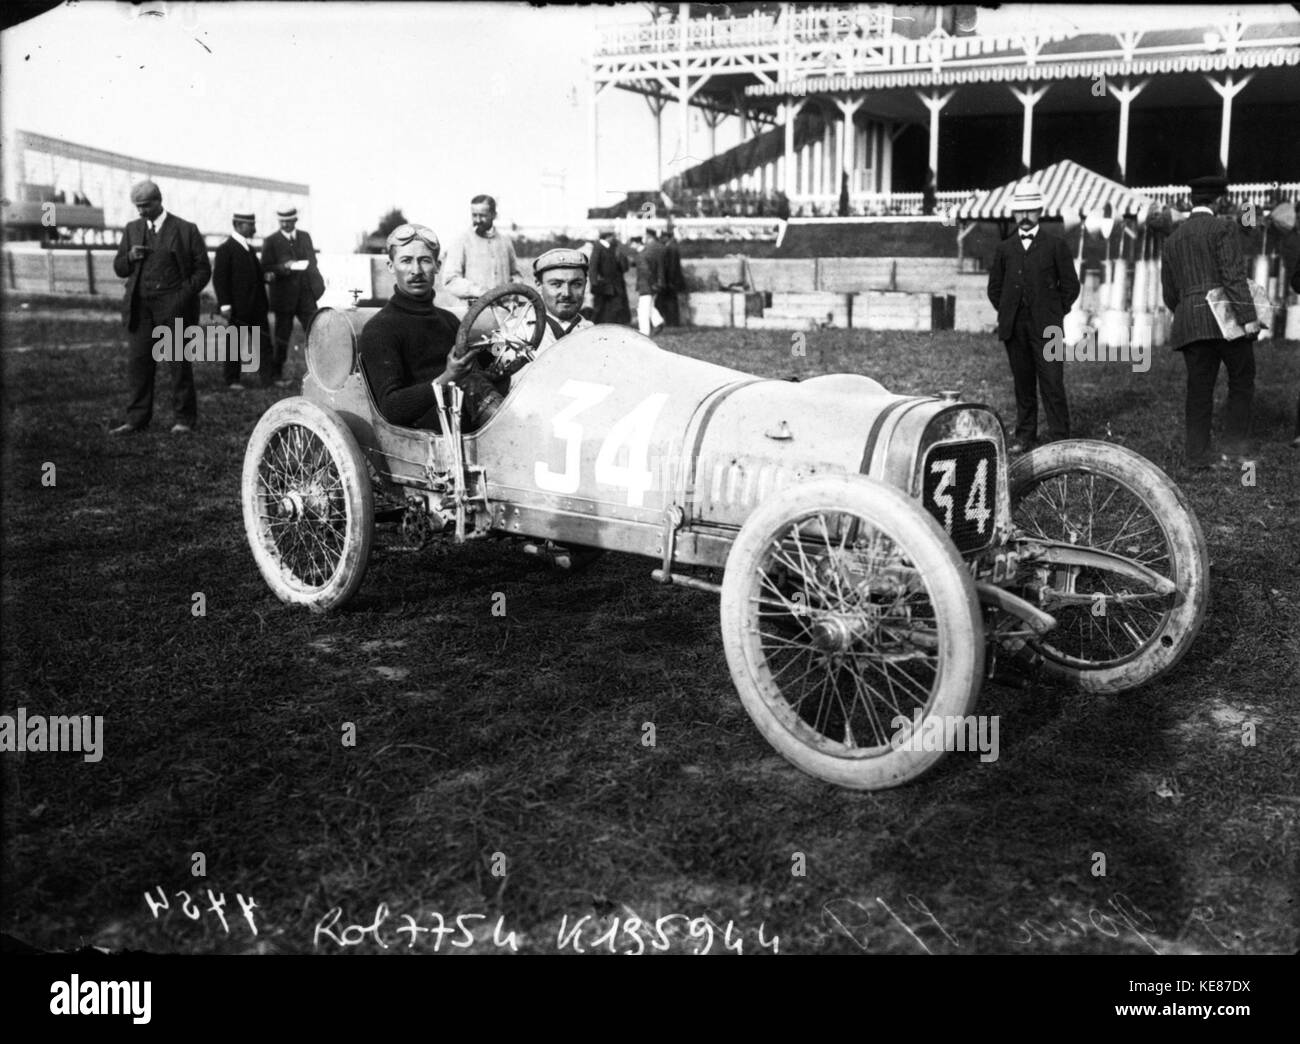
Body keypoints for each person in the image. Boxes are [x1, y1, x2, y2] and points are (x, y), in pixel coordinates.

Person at [1161, 175, 1260, 467]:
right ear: (1218, 201)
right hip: (1226, 319)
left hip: (1191, 320)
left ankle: (1196, 455)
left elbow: (1169, 291)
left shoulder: (1172, 238)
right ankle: (1234, 447)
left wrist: (1187, 310)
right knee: (1242, 380)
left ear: (1192, 201)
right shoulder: (1223, 228)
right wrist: (1248, 318)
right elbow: (1232, 276)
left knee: (1199, 388)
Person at [357, 223, 486, 432]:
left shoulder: (449, 321)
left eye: (425, 260)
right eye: (406, 261)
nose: (416, 271)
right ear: (391, 266)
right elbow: (392, 407)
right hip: (426, 437)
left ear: (437, 265)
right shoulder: (380, 329)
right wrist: (447, 377)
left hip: (464, 420)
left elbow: (477, 376)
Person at [109, 180, 211, 435]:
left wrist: (181, 297)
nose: (141, 211)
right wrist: (129, 256)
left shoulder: (186, 229)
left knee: (178, 365)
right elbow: (120, 267)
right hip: (141, 309)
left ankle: (184, 420)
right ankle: (136, 419)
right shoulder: (132, 229)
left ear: (159, 201)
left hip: (174, 308)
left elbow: (203, 270)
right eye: (137, 207)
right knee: (139, 364)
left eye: (145, 206)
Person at [986, 180, 1080, 452]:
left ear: (1040, 210)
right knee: (1023, 382)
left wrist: (1053, 312)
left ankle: (1060, 437)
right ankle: (1026, 435)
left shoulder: (1055, 245)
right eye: (1019, 212)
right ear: (1013, 214)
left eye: (1030, 211)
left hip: (1048, 327)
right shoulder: (1005, 249)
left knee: (1052, 381)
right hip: (1015, 328)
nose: (1025, 217)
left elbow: (1071, 287)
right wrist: (1008, 312)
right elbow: (995, 289)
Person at [260, 206, 325, 386]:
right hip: (284, 298)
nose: (286, 224)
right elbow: (265, 267)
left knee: (316, 334)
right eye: (282, 221)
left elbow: (313, 264)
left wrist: (317, 288)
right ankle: (277, 375)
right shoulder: (271, 241)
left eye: (289, 221)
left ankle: (323, 374)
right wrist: (284, 267)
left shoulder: (305, 237)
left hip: (306, 297)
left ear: (295, 221)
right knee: (282, 337)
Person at [212, 211, 271, 390]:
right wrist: (225, 305)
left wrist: (265, 276)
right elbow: (219, 278)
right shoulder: (225, 249)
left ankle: (268, 379)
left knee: (264, 343)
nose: (254, 228)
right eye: (250, 225)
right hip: (238, 308)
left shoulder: (249, 249)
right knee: (235, 344)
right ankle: (232, 380)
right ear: (238, 225)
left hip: (257, 307)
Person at [440, 194, 523, 308]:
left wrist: (511, 293)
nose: (478, 220)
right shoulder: (462, 241)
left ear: (494, 215)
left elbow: (516, 274)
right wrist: (480, 292)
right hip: (473, 313)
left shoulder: (505, 242)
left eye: (483, 215)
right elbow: (450, 280)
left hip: (505, 312)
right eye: (474, 215)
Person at [533, 249, 594, 353]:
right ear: (539, 286)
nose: (566, 293)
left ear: (585, 284)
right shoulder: (516, 334)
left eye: (576, 284)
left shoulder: (595, 335)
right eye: (556, 284)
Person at [588, 230, 631, 326]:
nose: (614, 238)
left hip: (613, 284)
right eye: (613, 236)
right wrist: (594, 283)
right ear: (607, 236)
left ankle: (611, 324)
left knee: (613, 307)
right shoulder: (598, 247)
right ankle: (594, 325)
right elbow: (593, 267)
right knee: (600, 307)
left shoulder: (612, 248)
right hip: (603, 285)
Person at [635, 228, 666, 337]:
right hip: (656, 281)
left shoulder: (643, 254)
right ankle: (658, 321)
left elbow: (645, 271)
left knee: (643, 308)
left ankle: (644, 331)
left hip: (646, 284)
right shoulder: (660, 248)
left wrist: (651, 282)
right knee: (649, 305)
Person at [656, 228, 686, 327]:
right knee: (670, 301)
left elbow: (672, 266)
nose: (661, 239)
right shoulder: (672, 247)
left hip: (671, 280)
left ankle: (672, 321)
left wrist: (670, 281)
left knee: (670, 302)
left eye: (662, 237)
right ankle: (671, 321)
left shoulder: (670, 248)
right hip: (672, 280)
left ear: (666, 237)